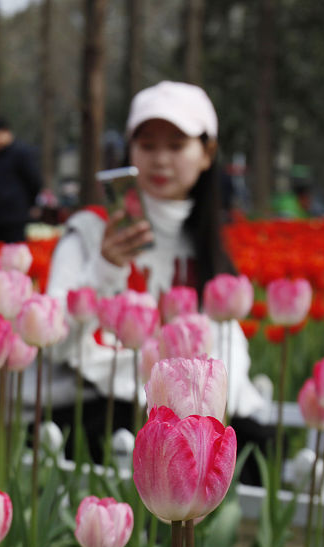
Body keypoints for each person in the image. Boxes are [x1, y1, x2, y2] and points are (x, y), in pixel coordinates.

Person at [46, 81, 268, 467]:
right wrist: (105, 267)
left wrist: (211, 405)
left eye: (177, 146)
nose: (160, 160)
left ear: (207, 153)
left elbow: (228, 343)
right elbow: (52, 342)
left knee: (256, 444)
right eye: (147, 146)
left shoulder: (207, 246)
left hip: (193, 414)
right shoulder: (90, 232)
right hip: (100, 407)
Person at [0, 114, 42, 244]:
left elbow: (34, 181)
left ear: (3, 132)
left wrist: (31, 204)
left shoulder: (21, 153)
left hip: (14, 217)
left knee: (14, 251)